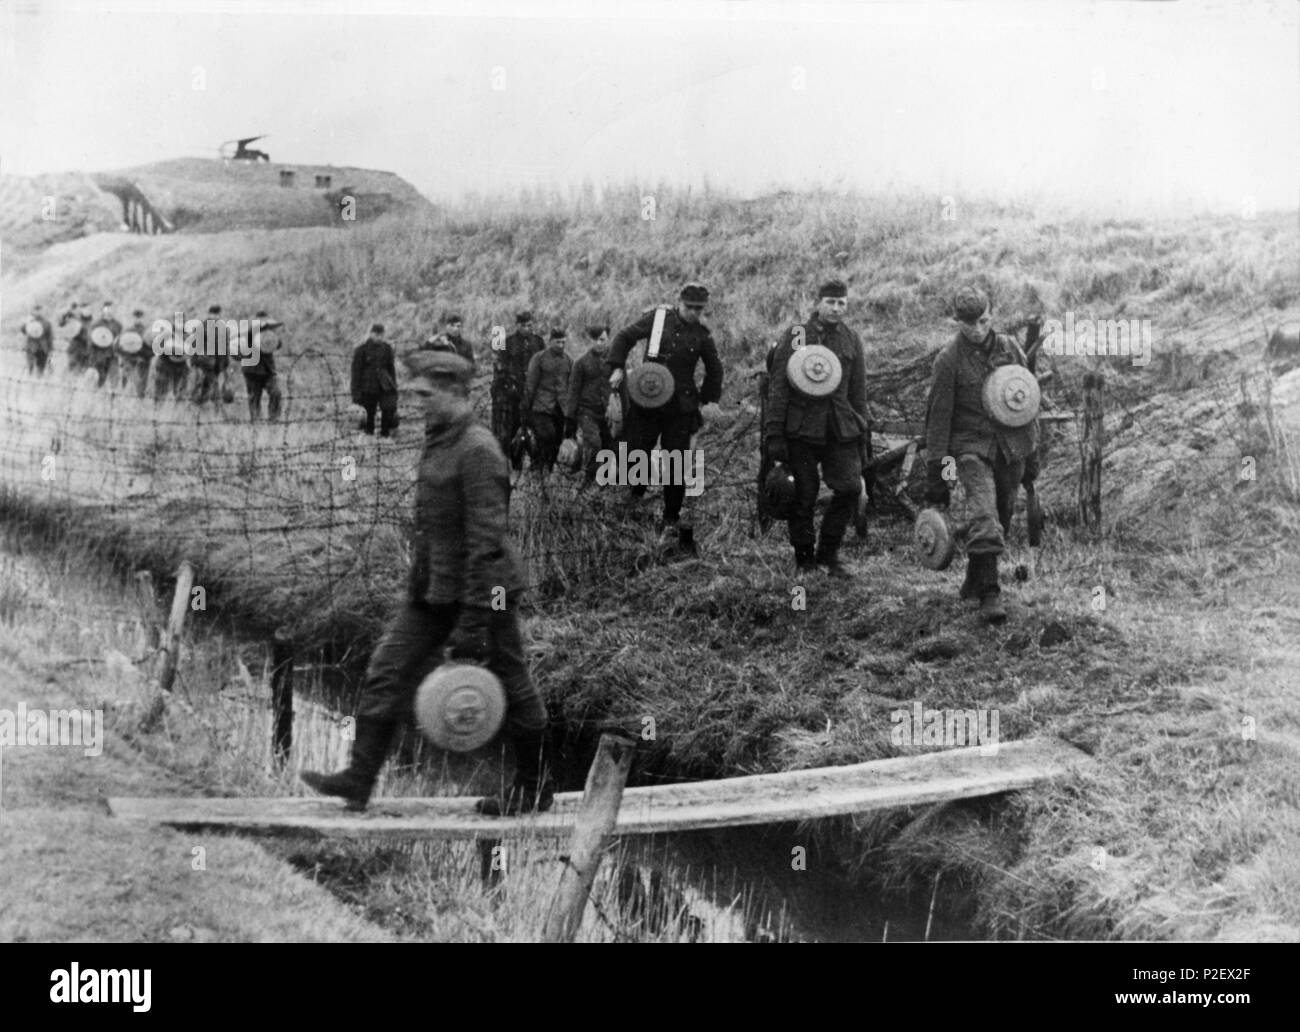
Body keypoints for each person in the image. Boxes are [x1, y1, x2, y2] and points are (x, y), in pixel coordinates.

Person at [301, 350, 553, 816]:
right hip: (435, 588)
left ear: (454, 392)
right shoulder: (441, 439)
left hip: (485, 590)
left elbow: (487, 540)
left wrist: (475, 621)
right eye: (416, 394)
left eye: (427, 394)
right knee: (386, 669)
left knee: (513, 681)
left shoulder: (478, 449)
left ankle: (534, 787)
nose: (418, 403)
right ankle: (358, 779)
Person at [924, 284, 1039, 624]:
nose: (978, 330)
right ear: (958, 321)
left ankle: (973, 580)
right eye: (970, 324)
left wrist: (1031, 457)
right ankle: (990, 593)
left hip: (1010, 445)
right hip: (970, 447)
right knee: (985, 511)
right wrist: (938, 475)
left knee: (1003, 513)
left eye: (984, 321)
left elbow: (1027, 402)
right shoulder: (948, 360)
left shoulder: (1011, 348)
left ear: (992, 316)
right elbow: (939, 421)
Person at [764, 281, 870, 578]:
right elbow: (779, 385)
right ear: (818, 303)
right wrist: (775, 433)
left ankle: (829, 555)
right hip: (802, 429)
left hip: (839, 427)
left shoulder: (851, 339)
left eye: (841, 303)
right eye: (830, 302)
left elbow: (858, 390)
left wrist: (861, 425)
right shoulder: (798, 334)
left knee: (850, 487)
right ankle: (805, 561)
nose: (836, 309)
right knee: (803, 495)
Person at [608, 282, 724, 545]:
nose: (693, 313)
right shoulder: (657, 318)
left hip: (680, 408)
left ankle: (671, 516)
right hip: (647, 398)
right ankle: (634, 498)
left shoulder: (703, 335)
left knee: (676, 461)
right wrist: (617, 367)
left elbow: (715, 370)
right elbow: (624, 337)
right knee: (636, 450)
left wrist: (706, 400)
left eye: (699, 309)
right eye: (689, 307)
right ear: (678, 302)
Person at [492, 311, 545, 463]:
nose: (528, 328)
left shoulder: (538, 341)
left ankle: (537, 463)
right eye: (524, 325)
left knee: (536, 428)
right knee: (514, 427)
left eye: (530, 325)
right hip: (515, 392)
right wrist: (508, 386)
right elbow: (500, 367)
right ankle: (516, 462)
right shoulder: (507, 342)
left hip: (534, 392)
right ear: (518, 325)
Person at [563, 326, 614, 483]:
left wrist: (625, 411)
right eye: (595, 340)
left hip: (609, 410)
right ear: (589, 341)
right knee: (594, 443)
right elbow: (573, 391)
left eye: (602, 340)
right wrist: (569, 417)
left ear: (608, 339)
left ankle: (604, 479)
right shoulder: (581, 363)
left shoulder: (615, 361)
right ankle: (589, 478)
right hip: (587, 412)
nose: (599, 343)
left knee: (610, 444)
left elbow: (623, 386)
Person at [522, 328, 572, 474]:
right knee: (546, 435)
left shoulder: (568, 360)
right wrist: (526, 407)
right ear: (550, 341)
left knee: (557, 440)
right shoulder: (539, 358)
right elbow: (530, 384)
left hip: (560, 408)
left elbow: (571, 384)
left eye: (563, 342)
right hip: (541, 406)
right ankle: (537, 464)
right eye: (558, 342)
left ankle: (547, 468)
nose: (561, 345)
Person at [350, 322, 398, 436]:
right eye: (377, 335)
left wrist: (394, 385)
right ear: (371, 334)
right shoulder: (361, 350)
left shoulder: (387, 349)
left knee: (387, 408)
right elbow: (356, 372)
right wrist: (355, 391)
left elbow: (391, 368)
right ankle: (369, 433)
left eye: (381, 335)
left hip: (385, 384)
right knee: (369, 412)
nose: (380, 337)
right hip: (368, 385)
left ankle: (385, 433)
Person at [243, 310, 284, 421]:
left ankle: (274, 420)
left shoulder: (270, 333)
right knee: (254, 399)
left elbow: (279, 344)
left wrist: (269, 335)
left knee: (276, 392)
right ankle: (256, 426)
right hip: (252, 371)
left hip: (268, 370)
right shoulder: (248, 332)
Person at [190, 304, 229, 404]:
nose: (216, 317)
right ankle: (217, 408)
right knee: (213, 384)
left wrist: (224, 363)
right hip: (206, 361)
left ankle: (198, 403)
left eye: (216, 315)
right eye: (215, 314)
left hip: (214, 362)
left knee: (206, 384)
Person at [116, 308, 153, 396]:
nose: (137, 320)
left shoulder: (147, 332)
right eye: (136, 317)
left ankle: (140, 400)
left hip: (143, 362)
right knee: (127, 382)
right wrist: (126, 356)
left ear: (143, 318)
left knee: (142, 384)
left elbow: (153, 348)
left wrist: (145, 357)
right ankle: (123, 397)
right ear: (133, 318)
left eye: (140, 317)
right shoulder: (127, 331)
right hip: (129, 361)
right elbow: (119, 346)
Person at [88, 302, 122, 388]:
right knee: (100, 380)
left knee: (114, 379)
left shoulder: (118, 325)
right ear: (103, 310)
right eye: (107, 308)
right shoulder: (96, 324)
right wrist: (92, 360)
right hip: (100, 356)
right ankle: (96, 397)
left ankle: (112, 397)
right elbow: (91, 342)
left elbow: (120, 339)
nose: (109, 311)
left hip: (113, 356)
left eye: (111, 308)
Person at [61, 300, 93, 376]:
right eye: (85, 309)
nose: (87, 311)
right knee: (72, 369)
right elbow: (62, 324)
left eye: (89, 309)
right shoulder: (75, 319)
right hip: (75, 348)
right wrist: (67, 311)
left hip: (86, 350)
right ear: (81, 310)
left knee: (83, 371)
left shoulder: (92, 322)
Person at [22, 303, 53, 376]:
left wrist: (50, 350)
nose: (38, 312)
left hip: (43, 348)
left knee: (41, 368)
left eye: (39, 310)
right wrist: (27, 322)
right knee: (30, 367)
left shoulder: (46, 323)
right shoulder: (29, 321)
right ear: (33, 311)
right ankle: (30, 382)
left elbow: (49, 337)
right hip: (31, 347)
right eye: (36, 310)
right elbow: (23, 330)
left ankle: (38, 381)